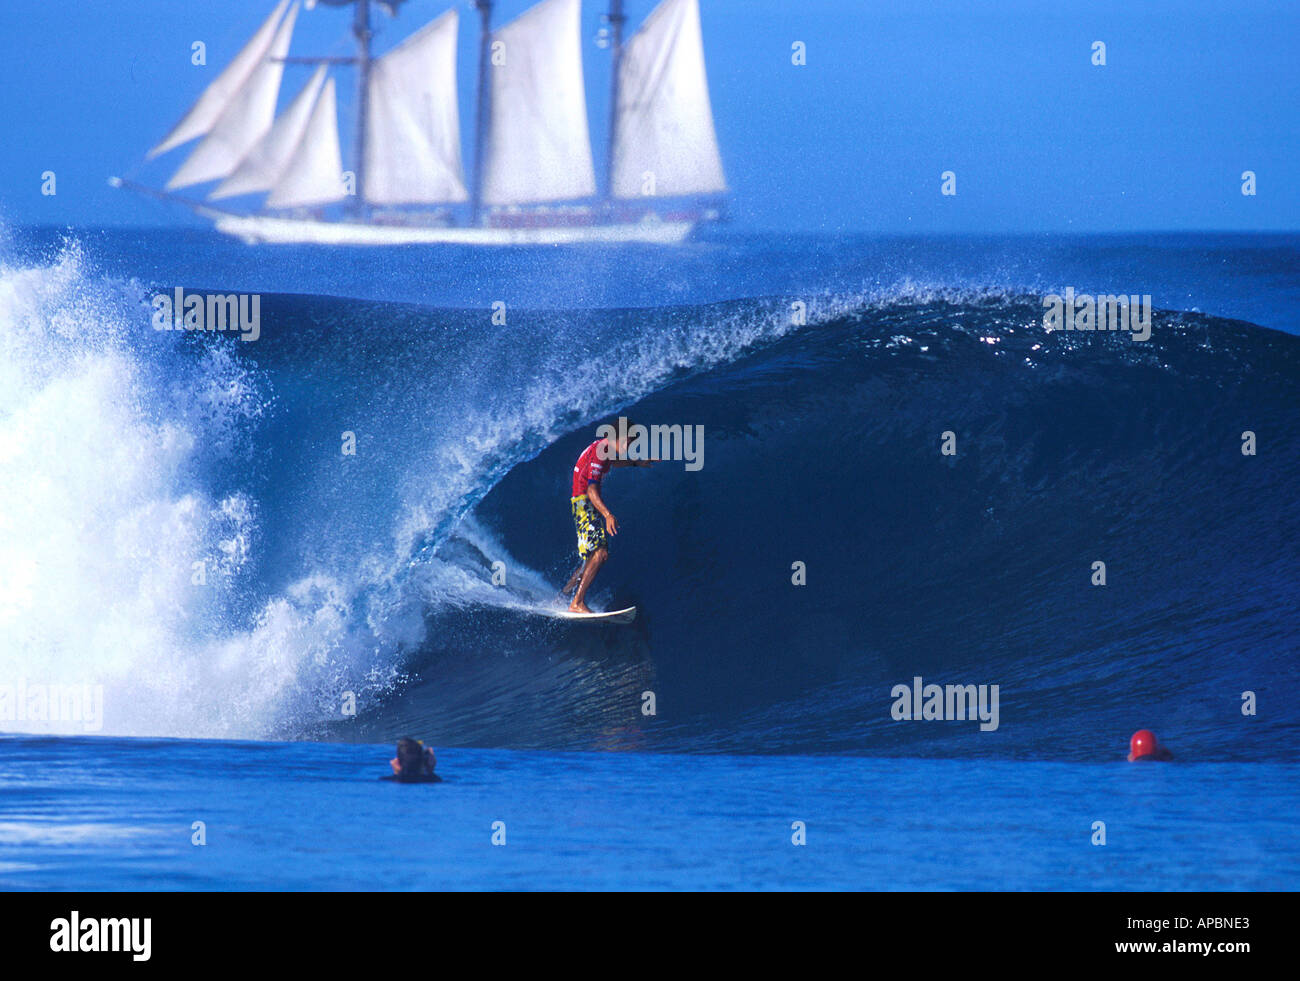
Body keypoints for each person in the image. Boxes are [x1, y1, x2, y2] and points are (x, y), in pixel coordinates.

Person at [562, 419, 651, 613]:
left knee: (592, 558)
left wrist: (636, 462)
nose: (629, 445)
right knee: (600, 554)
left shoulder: (603, 448)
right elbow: (592, 490)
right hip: (585, 503)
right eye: (628, 441)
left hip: (582, 503)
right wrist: (608, 514)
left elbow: (614, 462)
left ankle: (563, 597)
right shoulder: (600, 453)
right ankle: (576, 603)